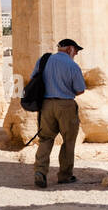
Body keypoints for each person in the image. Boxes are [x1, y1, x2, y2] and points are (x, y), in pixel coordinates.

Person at [31, 39, 85, 188]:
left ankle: (40, 172)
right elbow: (80, 89)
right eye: (76, 51)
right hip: (66, 105)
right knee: (69, 141)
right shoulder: (72, 66)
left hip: (46, 105)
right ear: (69, 49)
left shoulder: (43, 60)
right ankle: (65, 175)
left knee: (46, 139)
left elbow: (33, 78)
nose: (77, 54)